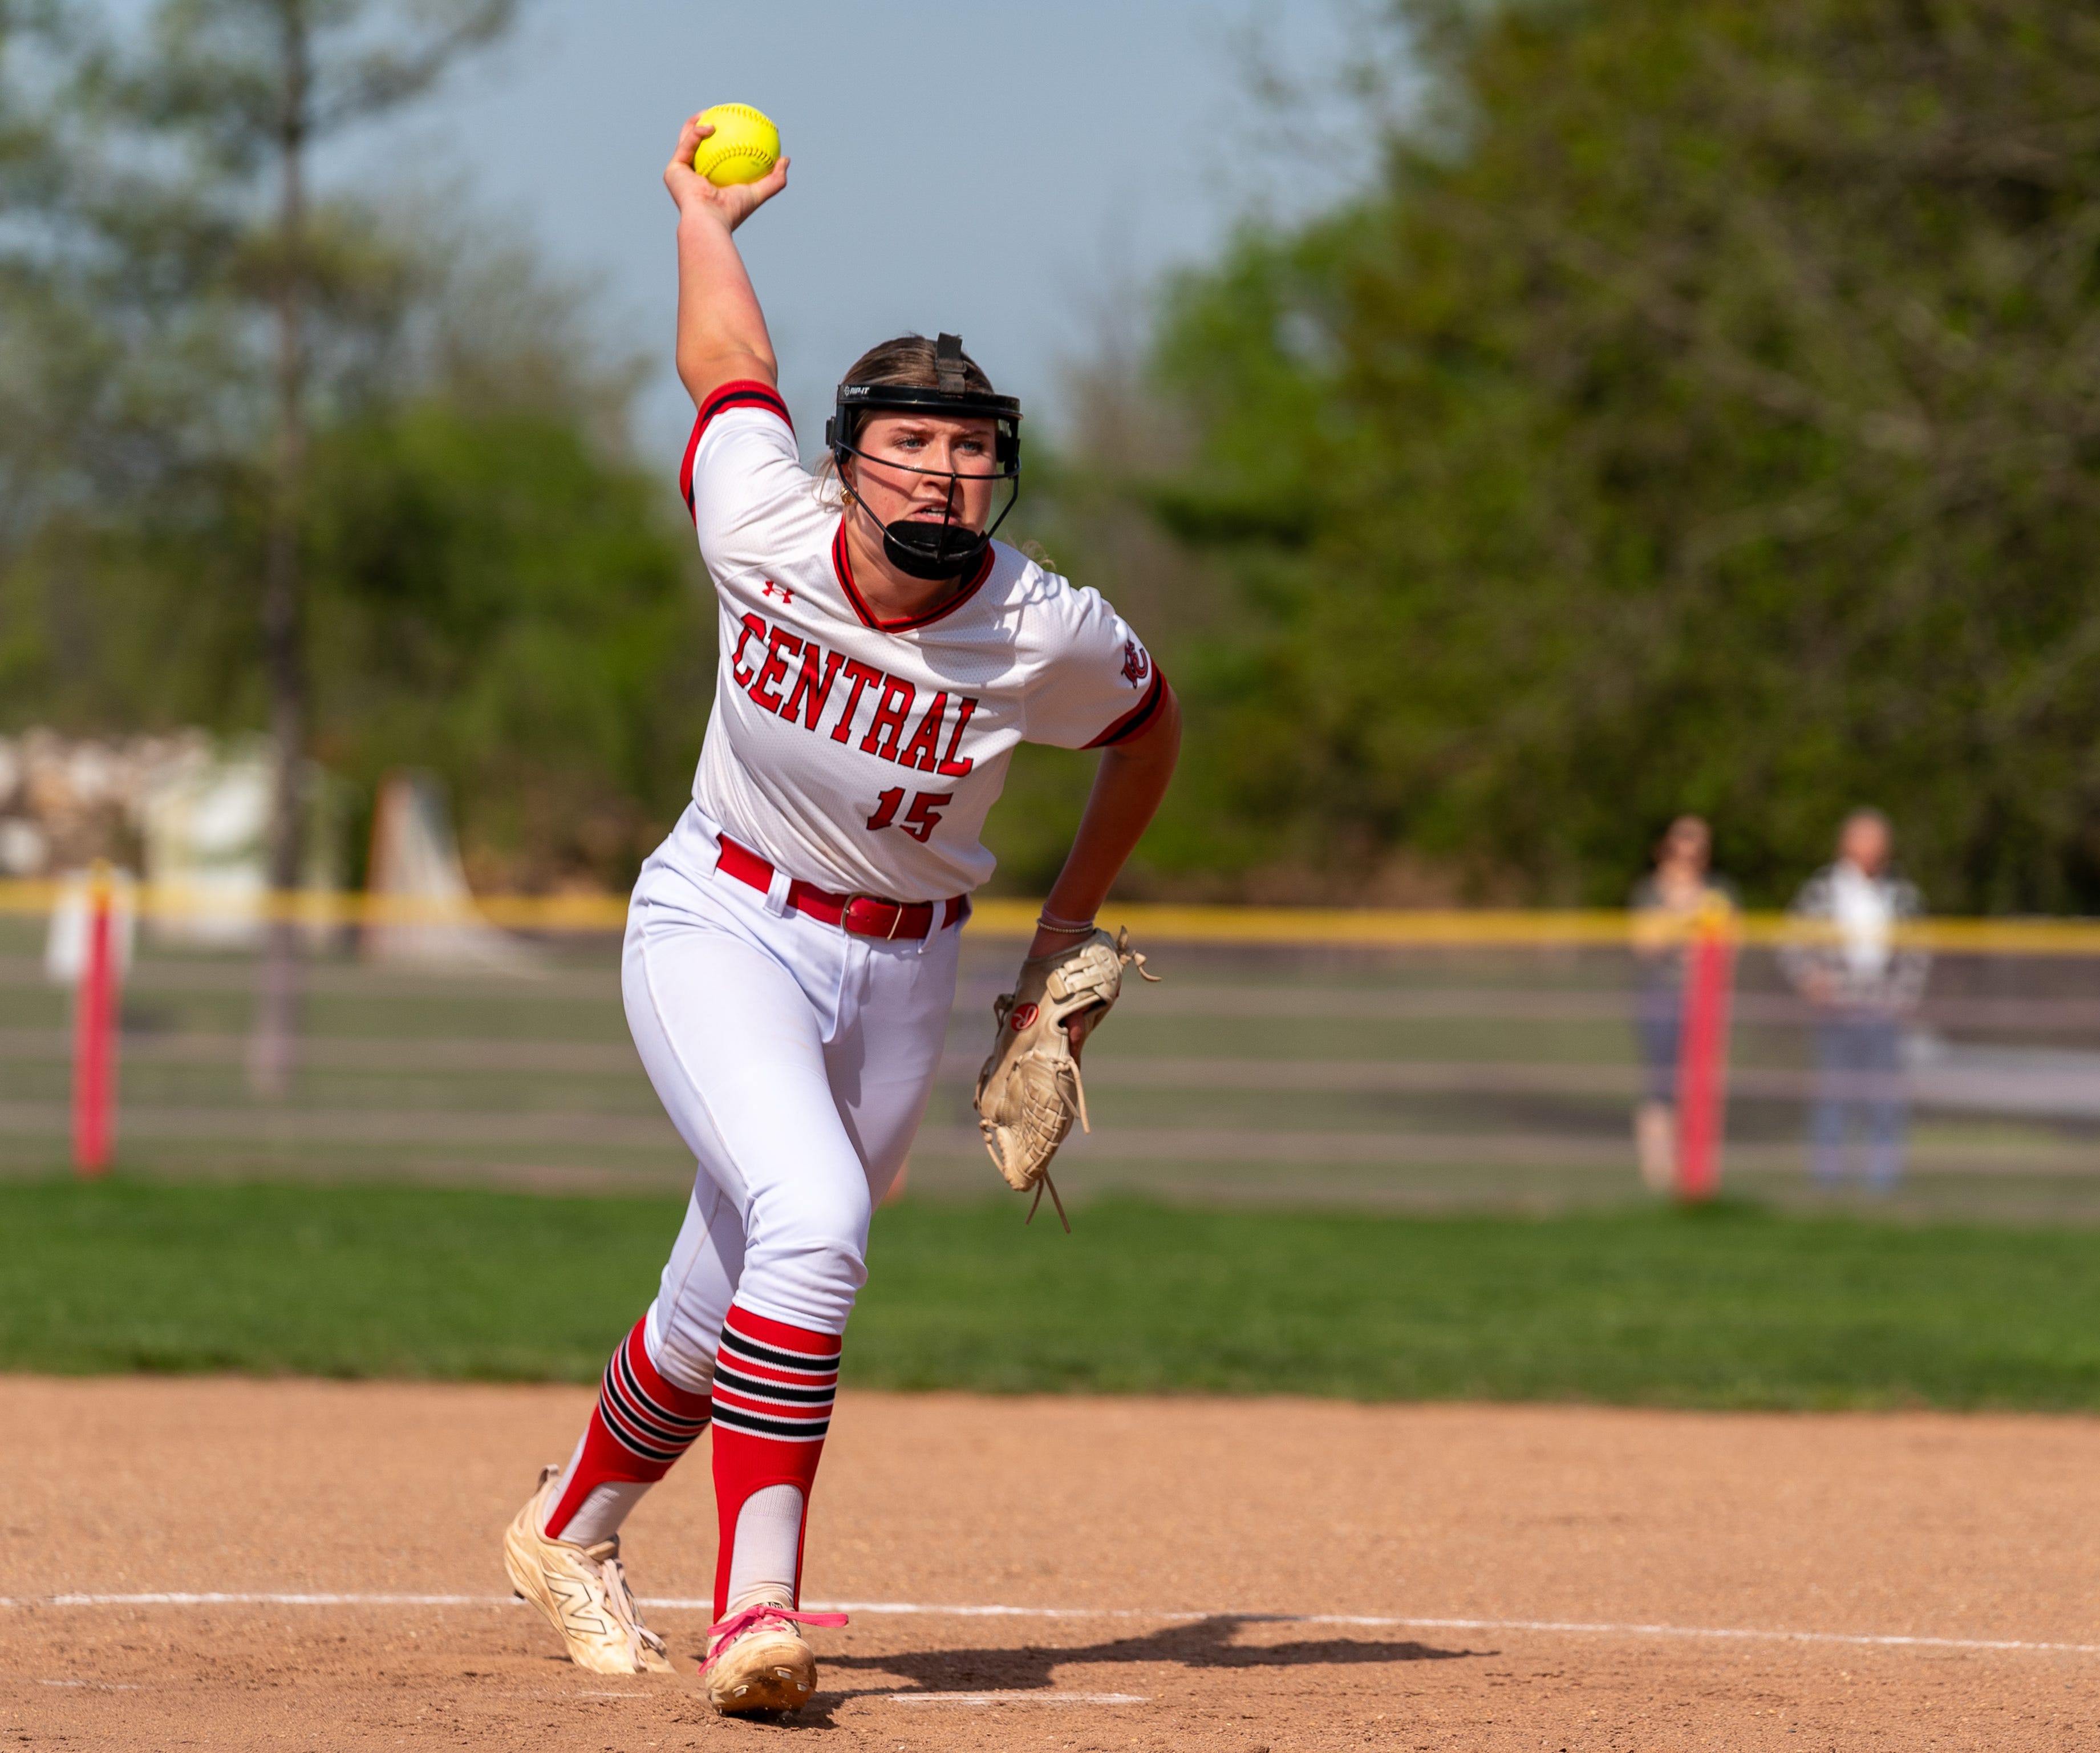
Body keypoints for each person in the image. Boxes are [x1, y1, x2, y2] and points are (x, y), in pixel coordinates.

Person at [497, 114, 1180, 1715]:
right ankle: (758, 1615)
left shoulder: (1045, 629)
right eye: (912, 441)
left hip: (906, 974)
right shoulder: (761, 519)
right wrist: (701, 216)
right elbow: (727, 364)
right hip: (718, 922)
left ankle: (570, 1528)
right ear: (849, 454)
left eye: (971, 445)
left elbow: (1148, 733)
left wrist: (1060, 936)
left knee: (725, 1284)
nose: (946, 469)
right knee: (815, 1220)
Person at [1779, 809, 1928, 1191]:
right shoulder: (1821, 891)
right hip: (1836, 1010)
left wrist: (1903, 997)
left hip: (1884, 1009)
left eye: (1876, 840)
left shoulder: (1902, 893)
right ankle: (1827, 1178)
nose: (1870, 849)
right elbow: (1791, 940)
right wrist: (1810, 979)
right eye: (1862, 839)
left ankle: (1883, 1179)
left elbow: (1918, 950)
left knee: (1884, 1097)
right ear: (1846, 843)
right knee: (1833, 1093)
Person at [1628, 816, 1733, 1192]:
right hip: (1661, 999)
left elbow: (1730, 945)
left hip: (1704, 1003)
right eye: (1678, 852)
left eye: (1697, 854)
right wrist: (1680, 913)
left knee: (1700, 1086)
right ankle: (1658, 1170)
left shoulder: (1719, 893)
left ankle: (1696, 1172)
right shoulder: (1649, 894)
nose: (1686, 862)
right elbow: (1645, 944)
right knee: (1660, 1087)